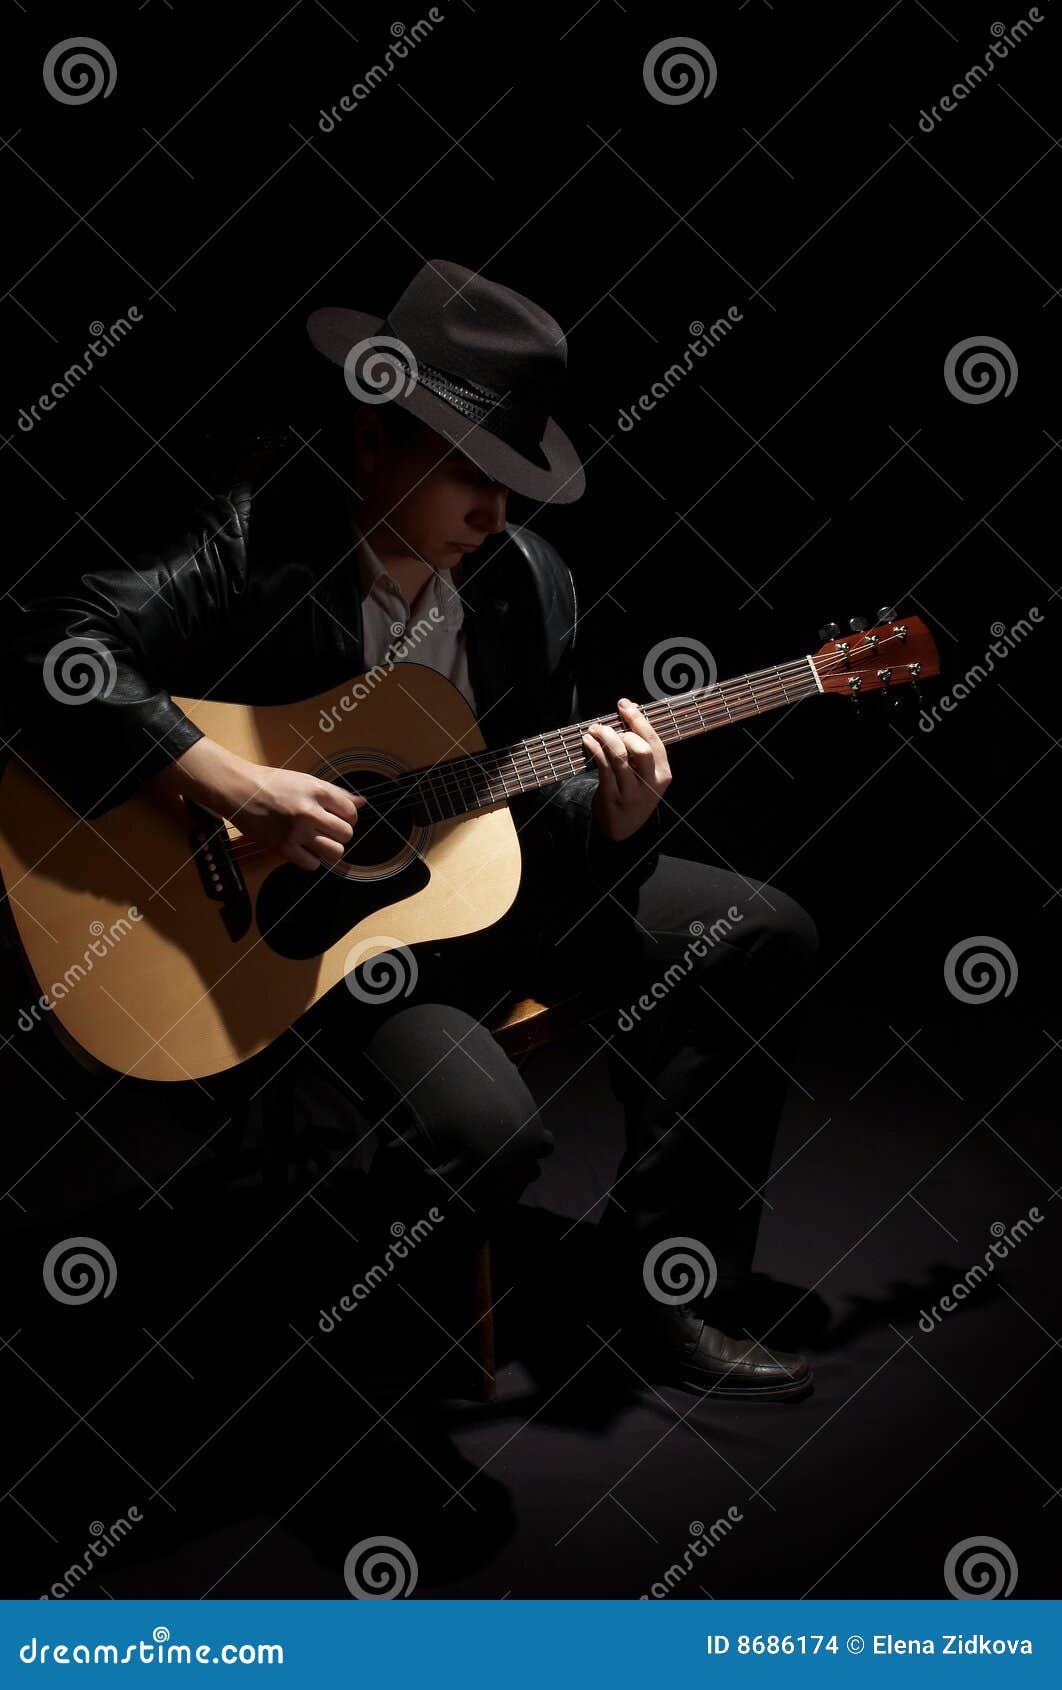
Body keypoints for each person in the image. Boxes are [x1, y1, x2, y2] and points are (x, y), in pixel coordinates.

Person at [4, 260, 818, 1402]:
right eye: (469, 477)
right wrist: (233, 785)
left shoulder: (526, 585)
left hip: (490, 893)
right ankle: (338, 1335)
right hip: (328, 936)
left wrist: (618, 815)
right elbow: (59, 644)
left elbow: (537, 802)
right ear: (374, 437)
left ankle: (662, 1290)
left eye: (511, 485)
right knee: (491, 1141)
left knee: (758, 930)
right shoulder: (260, 538)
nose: (495, 516)